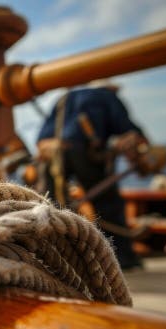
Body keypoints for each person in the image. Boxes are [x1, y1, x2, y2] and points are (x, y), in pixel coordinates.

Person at [36, 80, 146, 269]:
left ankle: (49, 258)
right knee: (108, 204)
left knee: (49, 205)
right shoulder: (107, 97)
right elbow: (129, 132)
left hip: (53, 153)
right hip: (84, 152)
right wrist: (143, 155)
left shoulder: (63, 99)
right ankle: (122, 258)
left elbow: (42, 138)